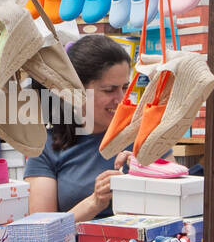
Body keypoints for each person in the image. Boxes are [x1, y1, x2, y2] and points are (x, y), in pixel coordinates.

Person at [25, 35, 134, 222]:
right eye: (109, 90)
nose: (121, 98)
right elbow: (40, 230)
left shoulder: (142, 137)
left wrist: (146, 173)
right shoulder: (46, 147)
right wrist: (95, 202)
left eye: (125, 87)